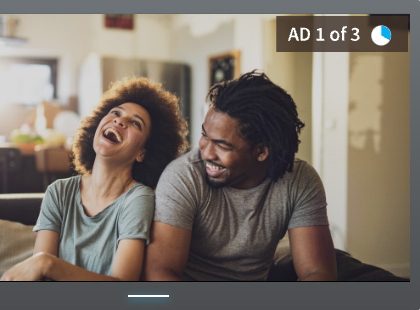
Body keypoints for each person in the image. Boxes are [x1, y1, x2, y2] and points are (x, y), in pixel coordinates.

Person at [143, 70, 337, 281]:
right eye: (204, 136)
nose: (206, 152)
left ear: (261, 152)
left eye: (222, 145)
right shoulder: (183, 176)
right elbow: (160, 273)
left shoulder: (299, 180)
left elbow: (317, 272)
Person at [1, 77, 188, 281]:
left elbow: (123, 288)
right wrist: (44, 265)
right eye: (115, 113)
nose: (119, 120)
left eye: (135, 123)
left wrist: (49, 264)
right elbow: (39, 277)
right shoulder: (58, 192)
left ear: (142, 153)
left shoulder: (138, 199)